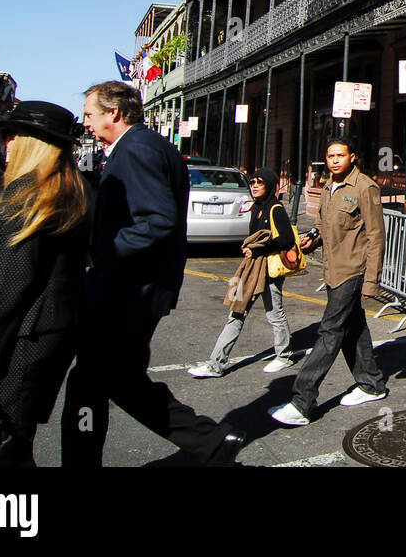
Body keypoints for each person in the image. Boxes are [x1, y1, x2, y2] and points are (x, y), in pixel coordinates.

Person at [61, 81, 244, 466]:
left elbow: (157, 220)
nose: (87, 123)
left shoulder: (137, 149)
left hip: (129, 291)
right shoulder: (145, 146)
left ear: (114, 112)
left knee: (94, 381)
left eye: (91, 114)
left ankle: (209, 442)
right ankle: (211, 442)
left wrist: (101, 249)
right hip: (136, 288)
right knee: (115, 380)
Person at [0, 102, 90, 466]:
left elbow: (10, 285)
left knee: (3, 439)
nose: (6, 144)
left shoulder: (28, 195)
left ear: (34, 143)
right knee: (13, 437)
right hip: (48, 335)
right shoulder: (68, 189)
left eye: (13, 136)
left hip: (22, 339)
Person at [270, 136, 388, 426]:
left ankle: (302, 402)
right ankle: (371, 384)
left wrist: (372, 281)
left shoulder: (364, 187)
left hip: (353, 270)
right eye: (330, 155)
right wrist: (314, 237)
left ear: (353, 157)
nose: (334, 160)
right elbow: (324, 223)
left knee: (330, 330)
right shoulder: (328, 185)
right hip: (332, 268)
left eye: (340, 155)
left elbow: (375, 235)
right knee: (353, 327)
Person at [188, 167, 295, 377]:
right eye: (252, 182)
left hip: (269, 269)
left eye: (259, 183)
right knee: (236, 311)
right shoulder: (256, 208)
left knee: (274, 313)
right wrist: (249, 248)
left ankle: (284, 355)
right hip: (250, 268)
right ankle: (216, 364)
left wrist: (259, 248)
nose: (254, 186)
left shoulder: (276, 208)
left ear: (269, 186)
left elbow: (286, 240)